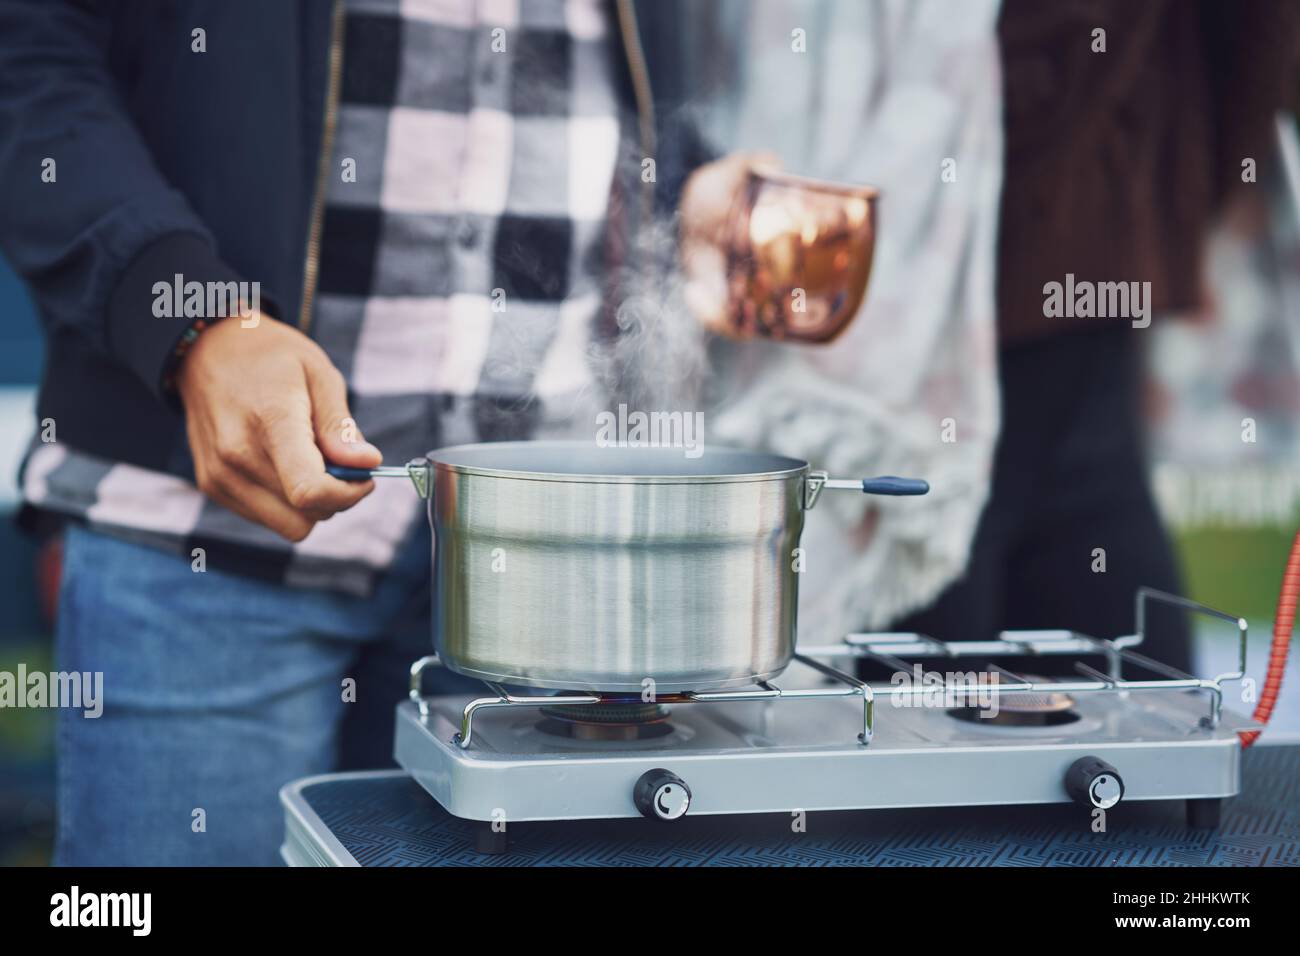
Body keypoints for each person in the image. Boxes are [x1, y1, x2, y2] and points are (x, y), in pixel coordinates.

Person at [0, 0, 738, 865]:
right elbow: (30, 53)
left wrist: (687, 189)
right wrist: (189, 317)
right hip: (203, 532)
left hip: (539, 577)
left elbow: (585, 95)